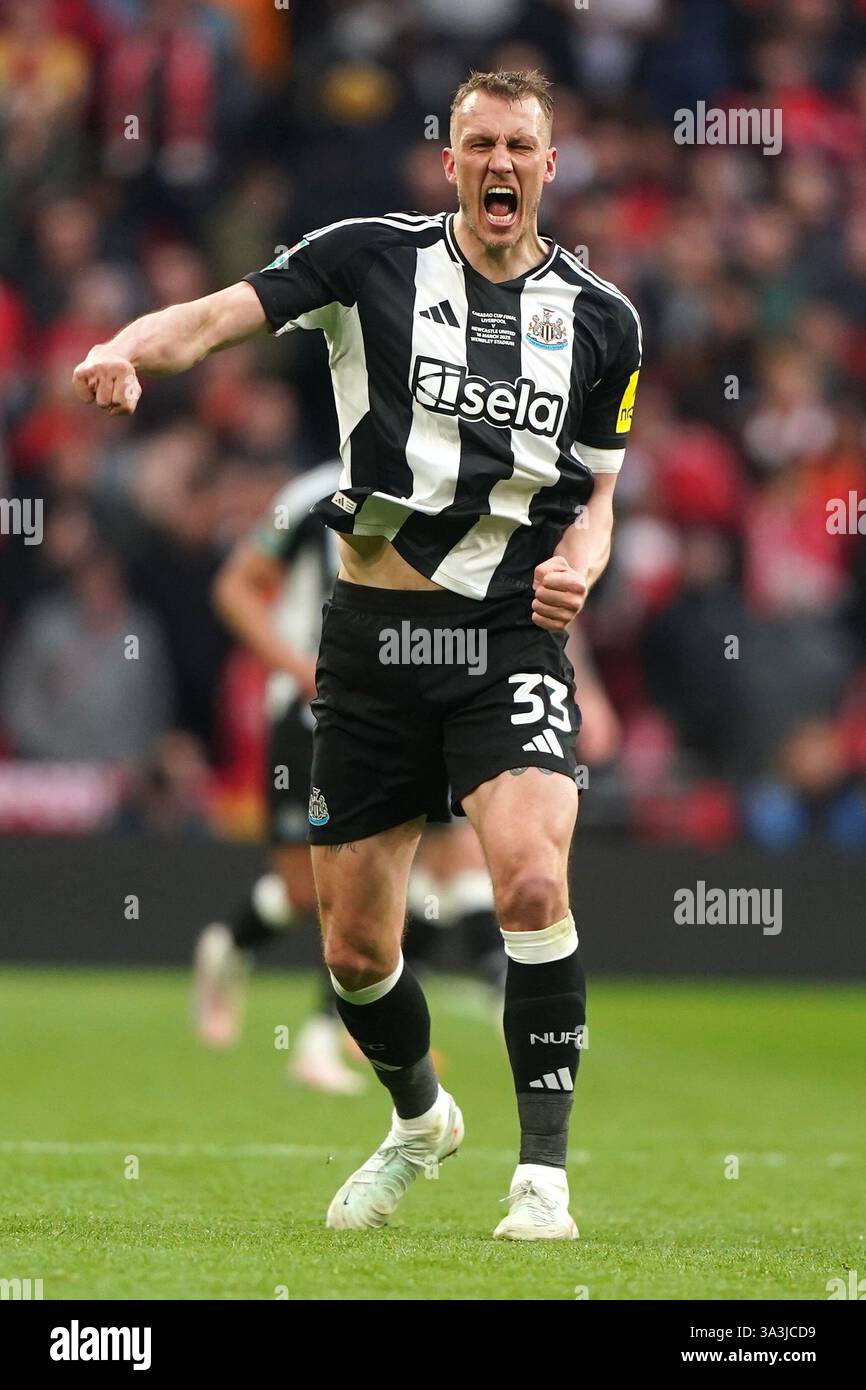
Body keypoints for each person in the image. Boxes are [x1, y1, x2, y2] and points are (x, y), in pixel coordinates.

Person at [73, 68, 642, 1240]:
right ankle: (420, 1119)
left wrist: (583, 557)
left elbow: (597, 493)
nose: (497, 164)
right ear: (448, 160)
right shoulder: (363, 257)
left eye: (517, 147)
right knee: (352, 947)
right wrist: (128, 342)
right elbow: (216, 318)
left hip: (507, 639)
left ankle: (542, 1176)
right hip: (373, 639)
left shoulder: (602, 321)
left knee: (531, 880)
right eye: (476, 142)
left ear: (547, 163)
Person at [194, 460, 503, 1091]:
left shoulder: (449, 473)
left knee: (408, 869)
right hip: (306, 711)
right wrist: (297, 666)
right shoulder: (310, 493)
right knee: (308, 892)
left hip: (402, 708)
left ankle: (325, 1038)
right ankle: (229, 946)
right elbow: (235, 586)